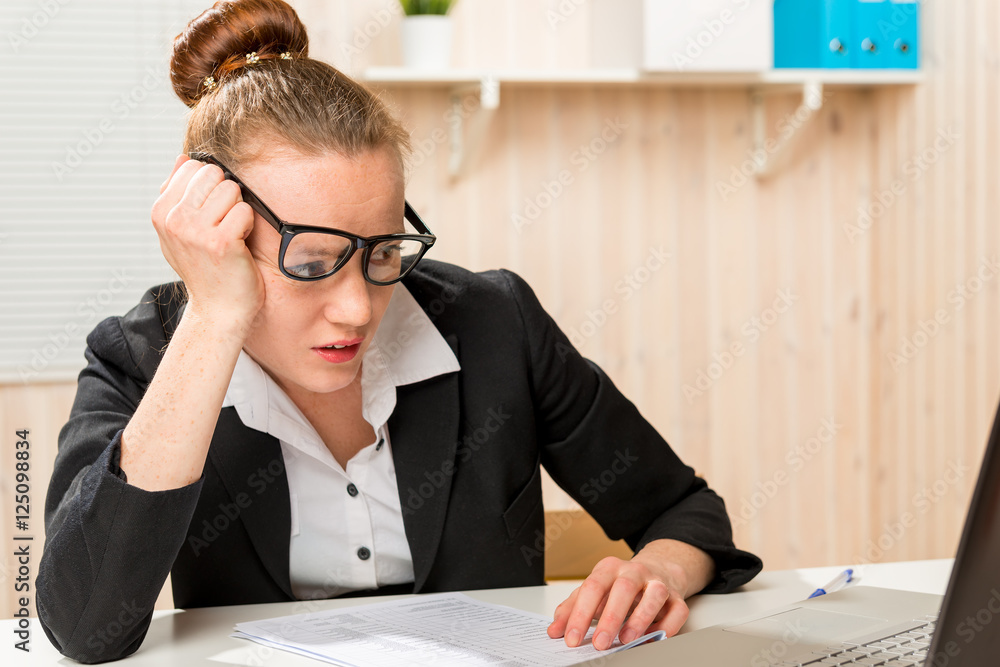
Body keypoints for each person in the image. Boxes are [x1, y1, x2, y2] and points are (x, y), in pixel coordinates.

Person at [36, 0, 762, 662]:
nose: (356, 306)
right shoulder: (143, 358)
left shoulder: (493, 322)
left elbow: (684, 509)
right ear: (217, 235)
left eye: (383, 251)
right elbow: (86, 624)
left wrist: (656, 569)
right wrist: (215, 314)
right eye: (313, 261)